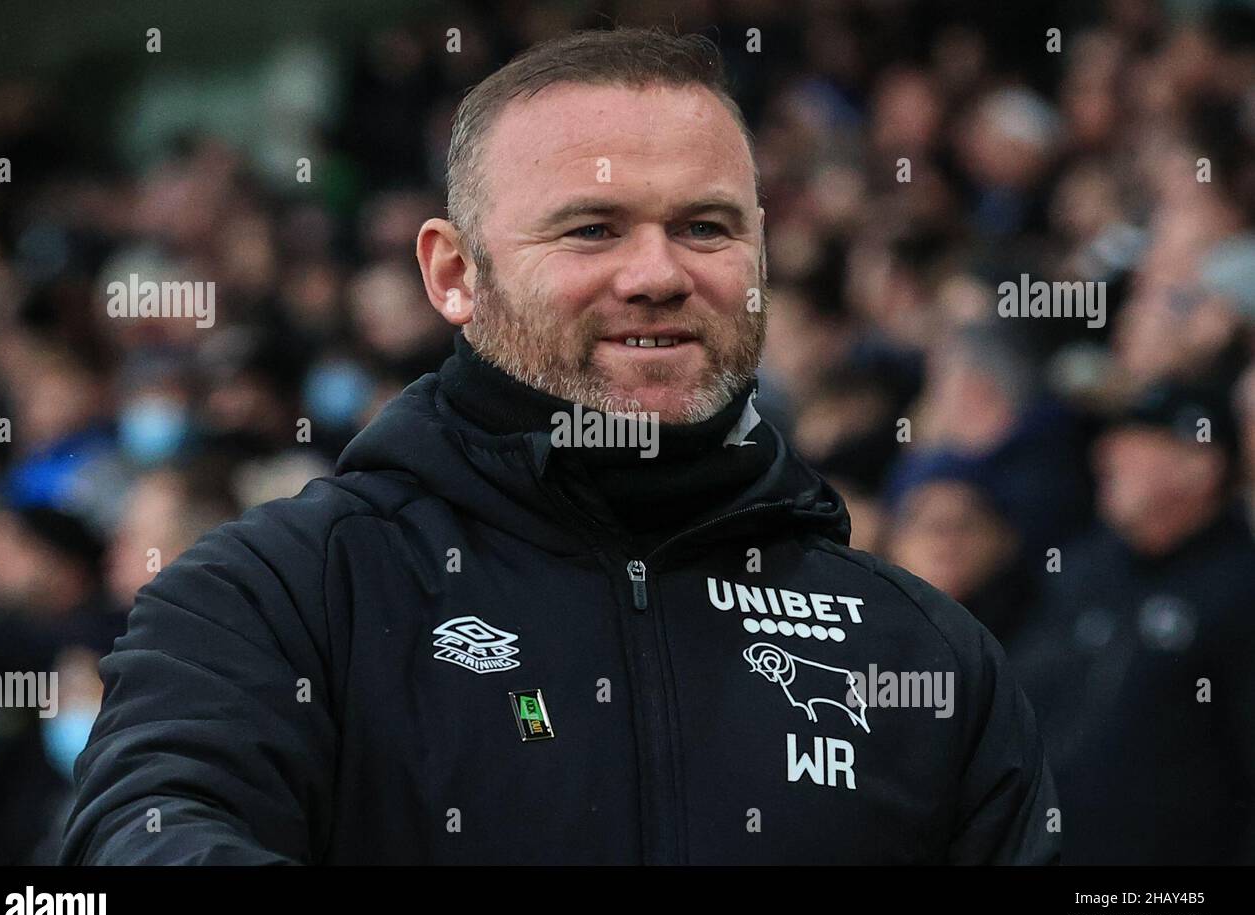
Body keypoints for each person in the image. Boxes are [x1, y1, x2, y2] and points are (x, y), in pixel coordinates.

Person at [60, 28, 1057, 865]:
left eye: (706, 226)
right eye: (591, 229)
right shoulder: (282, 596)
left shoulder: (922, 649)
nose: (658, 273)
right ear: (454, 272)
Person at [1008, 380, 1255, 863]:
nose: (1106, 455)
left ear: (1200, 464)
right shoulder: (1081, 571)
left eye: (1136, 441)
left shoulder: (1241, 589)